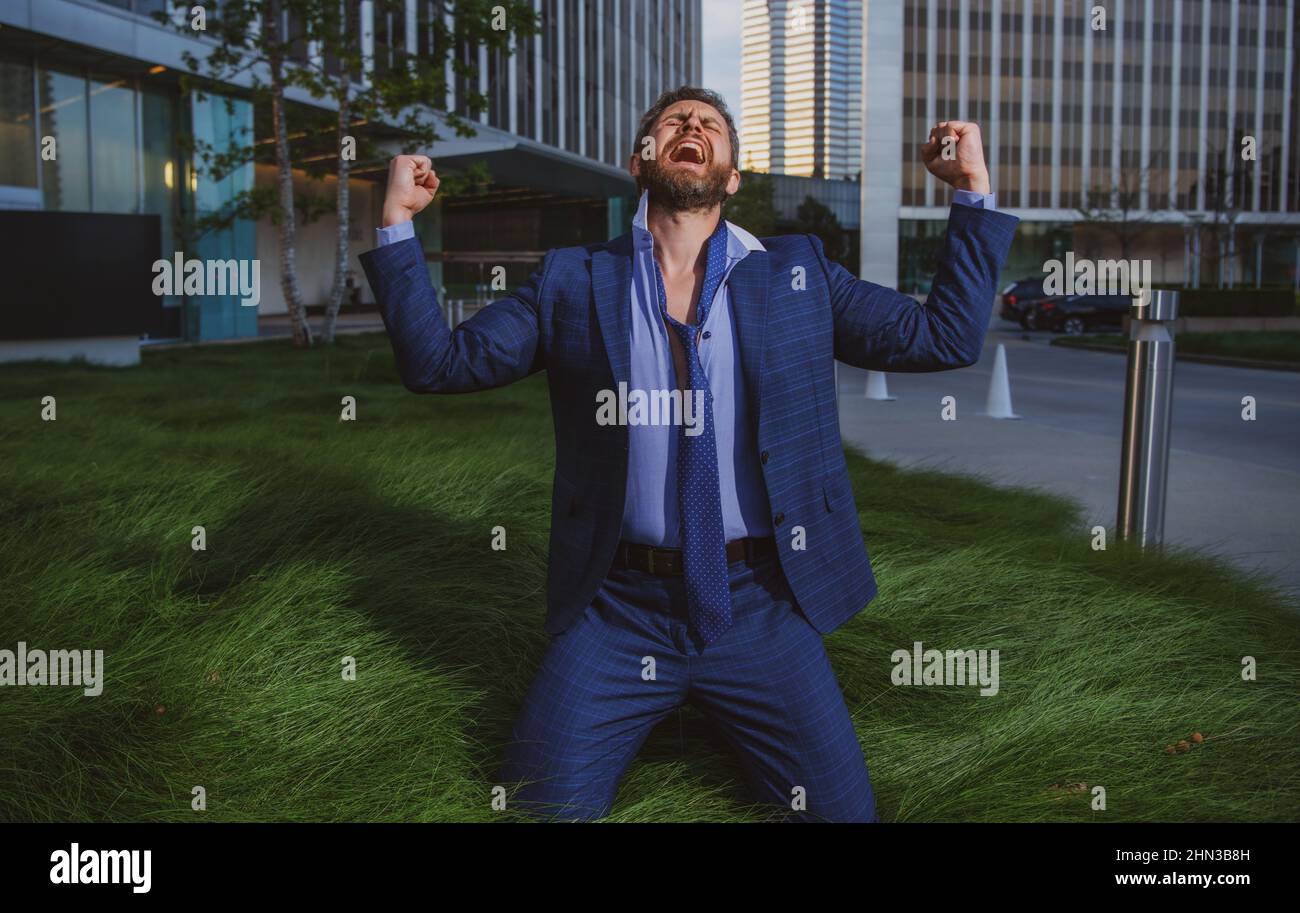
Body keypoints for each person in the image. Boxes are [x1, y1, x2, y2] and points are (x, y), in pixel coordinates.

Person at [360, 86, 1020, 822]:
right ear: (640, 160)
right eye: (673, 122)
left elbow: (945, 337)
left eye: (711, 125)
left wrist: (971, 194)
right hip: (616, 611)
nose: (692, 128)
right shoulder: (572, 278)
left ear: (732, 176)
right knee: (535, 810)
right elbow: (441, 365)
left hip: (763, 606)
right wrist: (395, 229)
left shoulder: (798, 273)